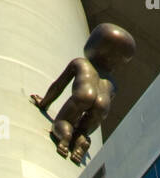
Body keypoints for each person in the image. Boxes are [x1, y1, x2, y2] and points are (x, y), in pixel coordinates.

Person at [29, 23, 135, 163]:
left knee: (62, 122)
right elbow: (99, 113)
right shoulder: (112, 85)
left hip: (83, 95)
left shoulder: (80, 63)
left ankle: (65, 136)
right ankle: (81, 142)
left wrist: (44, 103)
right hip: (102, 105)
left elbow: (58, 86)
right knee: (83, 130)